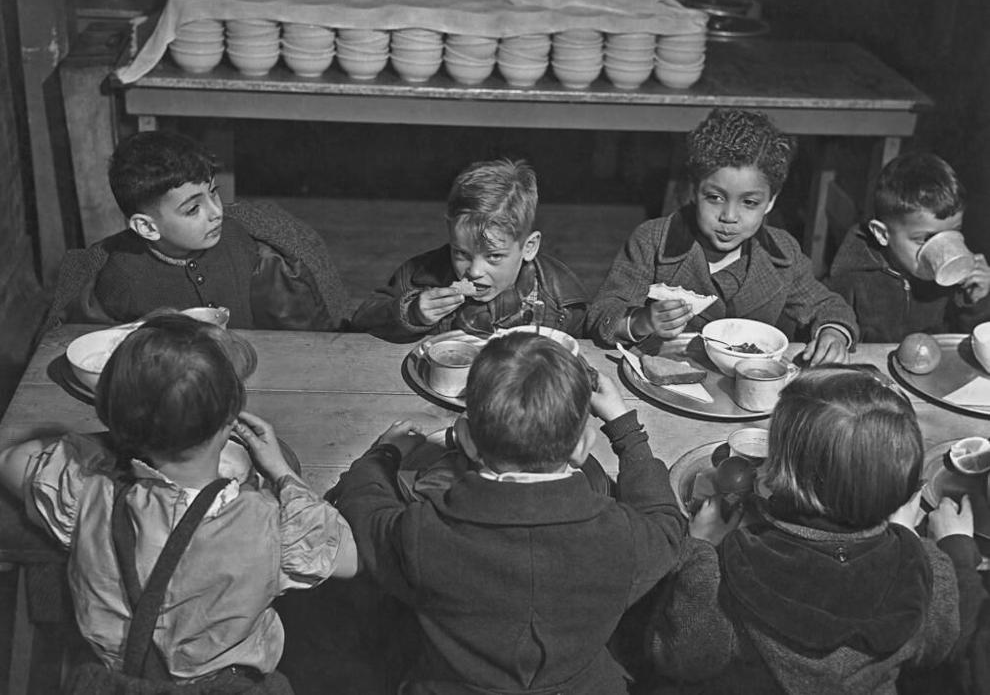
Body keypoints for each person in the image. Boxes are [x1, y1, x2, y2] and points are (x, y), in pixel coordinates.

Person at [0, 313, 358, 692]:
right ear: (230, 423)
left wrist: (110, 442)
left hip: (119, 682)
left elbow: (11, 460)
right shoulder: (270, 525)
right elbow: (348, 558)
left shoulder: (83, 490)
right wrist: (282, 472)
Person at [333, 332, 686, 694]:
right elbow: (667, 524)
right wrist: (625, 428)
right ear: (582, 447)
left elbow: (361, 509)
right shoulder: (623, 539)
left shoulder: (422, 534)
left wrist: (383, 454)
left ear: (465, 439)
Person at [646, 366, 982, 695]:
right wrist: (944, 545)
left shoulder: (732, 568)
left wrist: (701, 549)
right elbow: (944, 646)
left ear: (776, 472)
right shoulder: (924, 569)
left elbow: (681, 657)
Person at [588, 109, 858, 365]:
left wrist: (833, 334)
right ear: (693, 191)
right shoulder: (652, 242)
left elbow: (828, 305)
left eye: (749, 202)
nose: (729, 216)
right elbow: (602, 314)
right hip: (663, 381)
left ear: (771, 201)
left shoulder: (783, 255)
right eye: (715, 198)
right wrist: (641, 321)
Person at [51, 130, 349, 330]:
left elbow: (296, 324)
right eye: (193, 209)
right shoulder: (121, 278)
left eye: (214, 193)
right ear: (147, 227)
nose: (217, 212)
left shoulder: (240, 241)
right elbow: (96, 349)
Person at [350, 158, 587, 342]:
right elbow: (362, 320)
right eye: (461, 253)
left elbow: (579, 346)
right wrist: (411, 313)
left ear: (529, 247)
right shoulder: (420, 277)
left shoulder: (560, 298)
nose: (474, 271)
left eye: (494, 256)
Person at [827, 152, 990, 342]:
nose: (943, 250)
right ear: (882, 234)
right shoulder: (853, 277)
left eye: (952, 233)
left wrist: (978, 300)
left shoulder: (957, 276)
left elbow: (965, 341)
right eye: (924, 239)